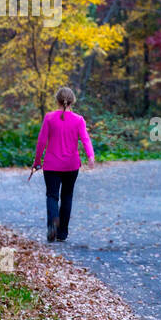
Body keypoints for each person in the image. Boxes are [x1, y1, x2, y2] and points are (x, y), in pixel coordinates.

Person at [30, 86, 96, 242]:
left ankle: (53, 221)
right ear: (72, 101)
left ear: (57, 100)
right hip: (71, 165)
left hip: (52, 165)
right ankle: (62, 233)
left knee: (52, 195)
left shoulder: (49, 118)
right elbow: (85, 139)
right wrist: (90, 156)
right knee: (67, 196)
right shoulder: (79, 120)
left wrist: (37, 161)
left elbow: (41, 141)